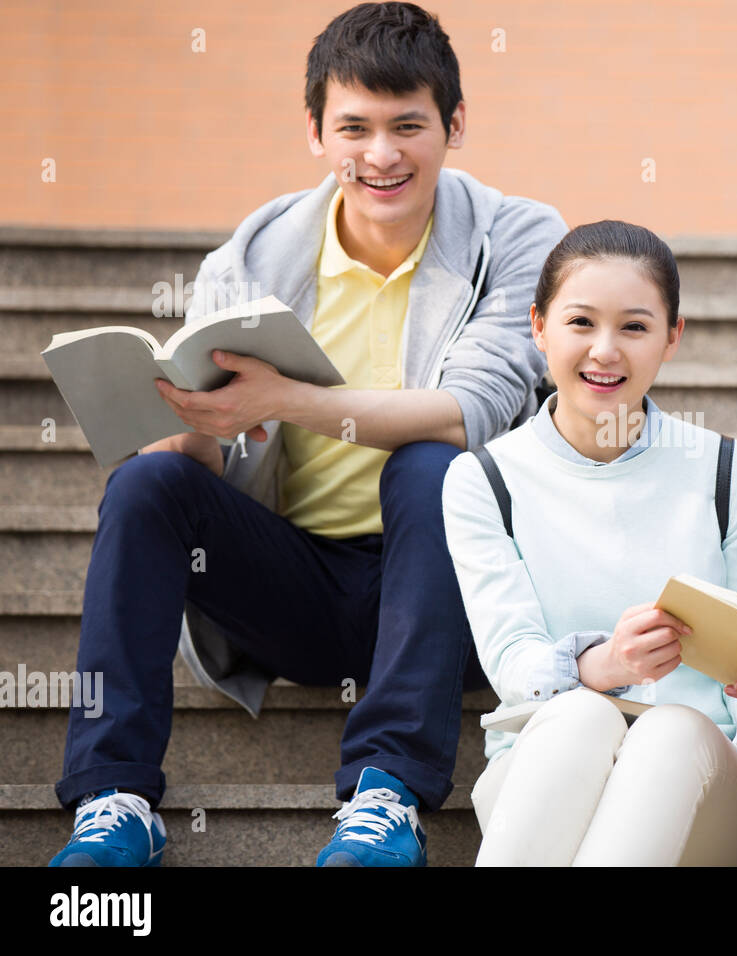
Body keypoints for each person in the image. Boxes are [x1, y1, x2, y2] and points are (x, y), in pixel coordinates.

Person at [48, 2, 567, 867]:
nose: (381, 155)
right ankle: (114, 800)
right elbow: (208, 465)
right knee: (146, 486)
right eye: (354, 127)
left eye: (409, 126)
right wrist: (185, 427)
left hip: (456, 592)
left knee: (430, 464)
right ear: (317, 134)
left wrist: (283, 398)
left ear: (456, 124)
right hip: (294, 589)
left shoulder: (517, 238)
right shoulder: (249, 258)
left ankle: (387, 795)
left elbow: (466, 410)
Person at [441, 220, 737, 866]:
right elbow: (511, 659)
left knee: (669, 733)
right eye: (580, 323)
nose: (605, 351)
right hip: (544, 770)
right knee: (581, 717)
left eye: (633, 327)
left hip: (707, 782)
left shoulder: (724, 467)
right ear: (539, 326)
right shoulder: (483, 478)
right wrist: (603, 667)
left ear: (672, 337)